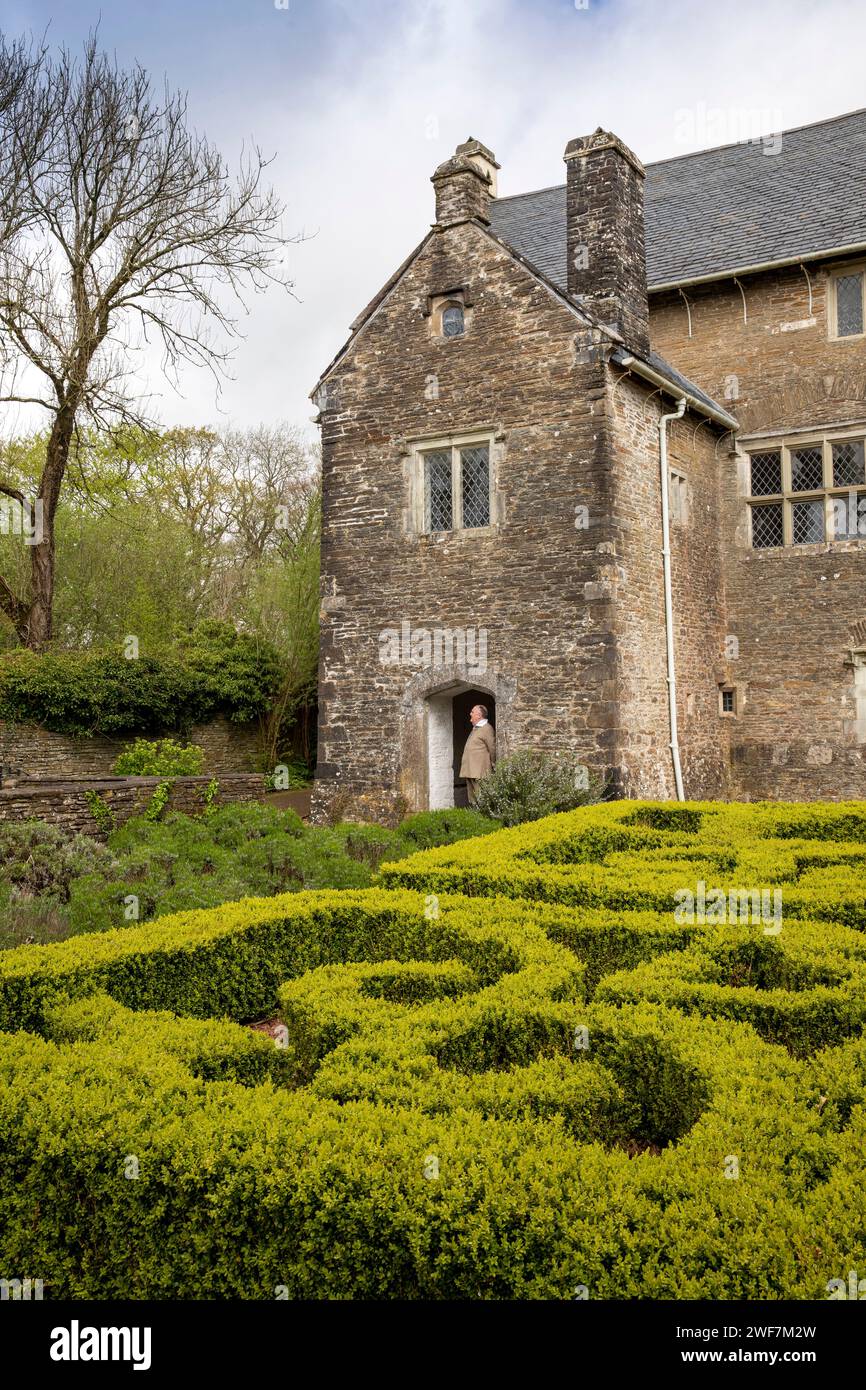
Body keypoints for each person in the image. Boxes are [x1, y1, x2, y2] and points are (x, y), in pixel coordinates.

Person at [459, 703, 495, 805]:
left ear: (479, 715)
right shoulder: (476, 728)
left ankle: (483, 818)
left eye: (472, 712)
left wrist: (493, 764)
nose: (470, 714)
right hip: (470, 770)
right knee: (472, 800)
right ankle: (475, 818)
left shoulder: (487, 728)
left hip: (479, 771)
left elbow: (492, 748)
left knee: (482, 799)